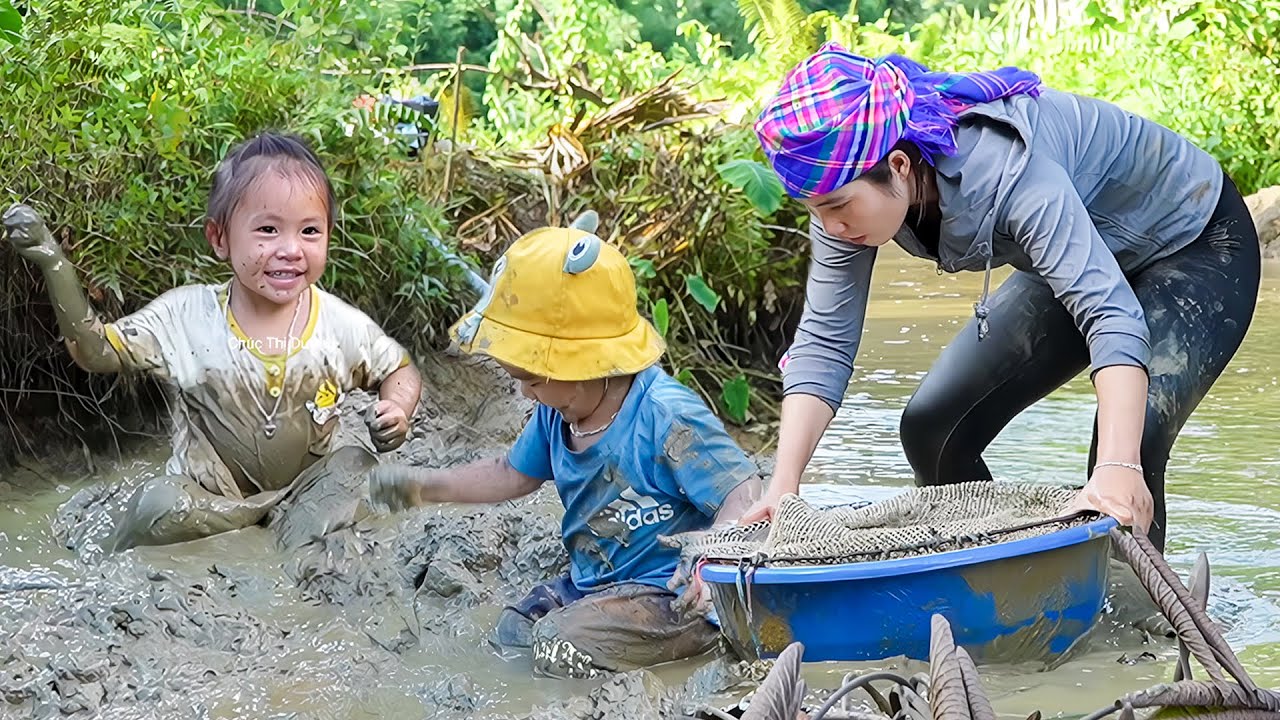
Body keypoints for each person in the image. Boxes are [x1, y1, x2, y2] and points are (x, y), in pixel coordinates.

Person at [742, 44, 1261, 552]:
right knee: (932, 429)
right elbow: (824, 342)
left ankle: (1132, 603)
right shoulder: (842, 196)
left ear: (898, 165)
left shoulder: (1009, 172)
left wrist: (1118, 467)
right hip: (1082, 250)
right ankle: (985, 574)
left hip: (1194, 241)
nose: (831, 226)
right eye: (815, 210)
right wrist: (783, 490)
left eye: (838, 207)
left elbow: (1109, 313)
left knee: (1130, 440)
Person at [366, 224, 763, 679]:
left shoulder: (666, 415)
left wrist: (714, 560)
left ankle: (695, 651)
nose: (524, 392)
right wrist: (424, 487)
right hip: (595, 585)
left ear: (584, 362)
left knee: (559, 644)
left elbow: (744, 489)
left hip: (673, 596)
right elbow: (511, 474)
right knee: (514, 631)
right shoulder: (557, 414)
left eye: (532, 379)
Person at [1, 132, 422, 553]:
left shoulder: (339, 326)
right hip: (210, 497)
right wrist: (54, 263)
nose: (291, 249)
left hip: (304, 491)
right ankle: (253, 528)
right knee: (158, 506)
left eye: (310, 231)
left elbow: (400, 370)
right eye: (268, 229)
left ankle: (285, 537)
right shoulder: (187, 316)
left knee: (360, 468)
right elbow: (95, 351)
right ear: (220, 239)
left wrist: (397, 411)